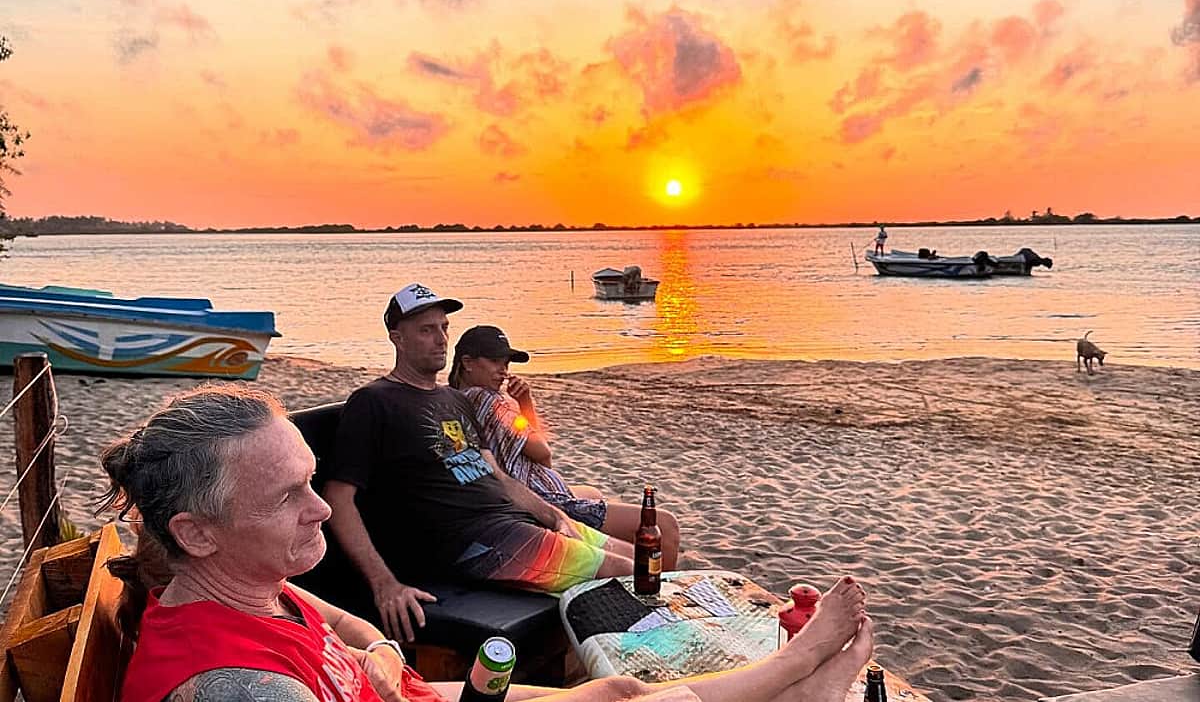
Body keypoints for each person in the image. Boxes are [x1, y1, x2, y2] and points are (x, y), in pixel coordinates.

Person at [99, 385, 876, 702]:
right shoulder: (239, 687)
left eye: (312, 479)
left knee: (617, 691)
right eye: (288, 495)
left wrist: (376, 655)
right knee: (623, 697)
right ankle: (797, 670)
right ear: (195, 532)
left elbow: (344, 628)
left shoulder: (242, 587)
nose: (321, 510)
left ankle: (792, 683)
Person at [323, 283, 638, 643]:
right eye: (426, 330)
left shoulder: (455, 401)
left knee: (641, 560)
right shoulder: (373, 401)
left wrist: (554, 515)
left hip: (512, 524)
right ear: (398, 338)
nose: (441, 339)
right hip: (470, 544)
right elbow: (338, 497)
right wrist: (384, 584)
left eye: (444, 328)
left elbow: (498, 476)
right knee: (627, 573)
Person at [448, 324, 681, 569]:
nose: (504, 371)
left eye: (506, 363)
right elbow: (544, 454)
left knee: (593, 493)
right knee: (665, 525)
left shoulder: (453, 399)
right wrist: (525, 403)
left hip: (528, 493)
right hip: (539, 499)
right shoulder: (488, 400)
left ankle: (612, 558)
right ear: (467, 362)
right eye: (495, 361)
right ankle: (659, 587)